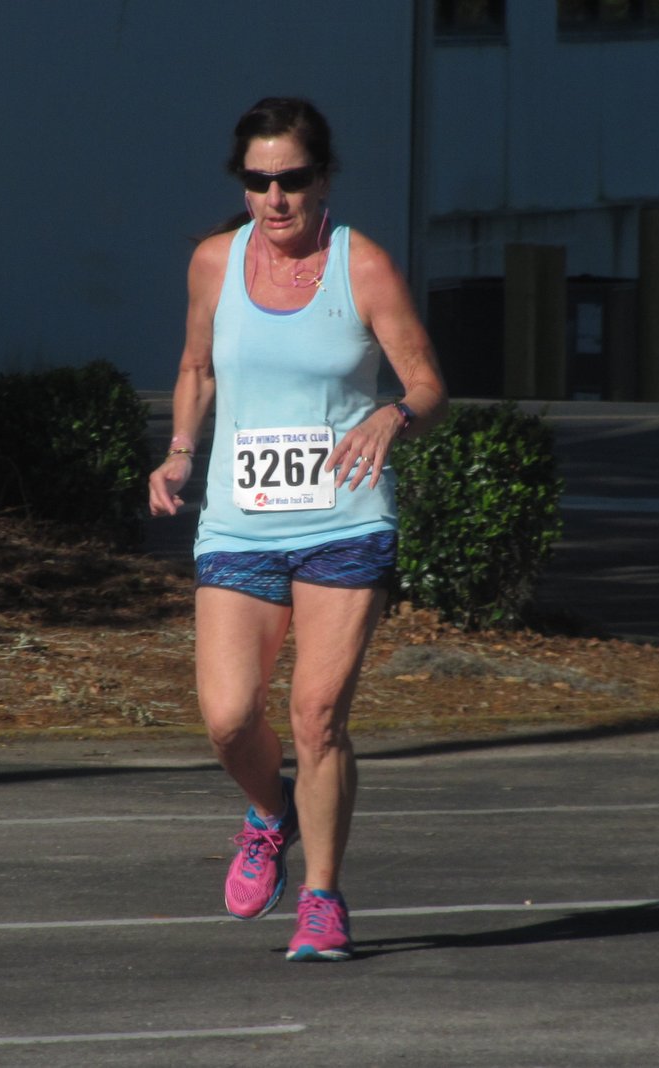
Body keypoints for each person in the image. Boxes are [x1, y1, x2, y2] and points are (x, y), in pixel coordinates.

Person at [148, 97, 448, 962]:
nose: (275, 199)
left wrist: (393, 418)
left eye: (292, 180)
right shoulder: (215, 262)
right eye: (257, 182)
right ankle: (268, 814)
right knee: (229, 717)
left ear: (324, 178)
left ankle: (322, 899)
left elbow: (430, 386)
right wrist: (177, 452)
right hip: (241, 525)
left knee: (316, 716)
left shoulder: (364, 268)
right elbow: (197, 368)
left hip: (345, 521)